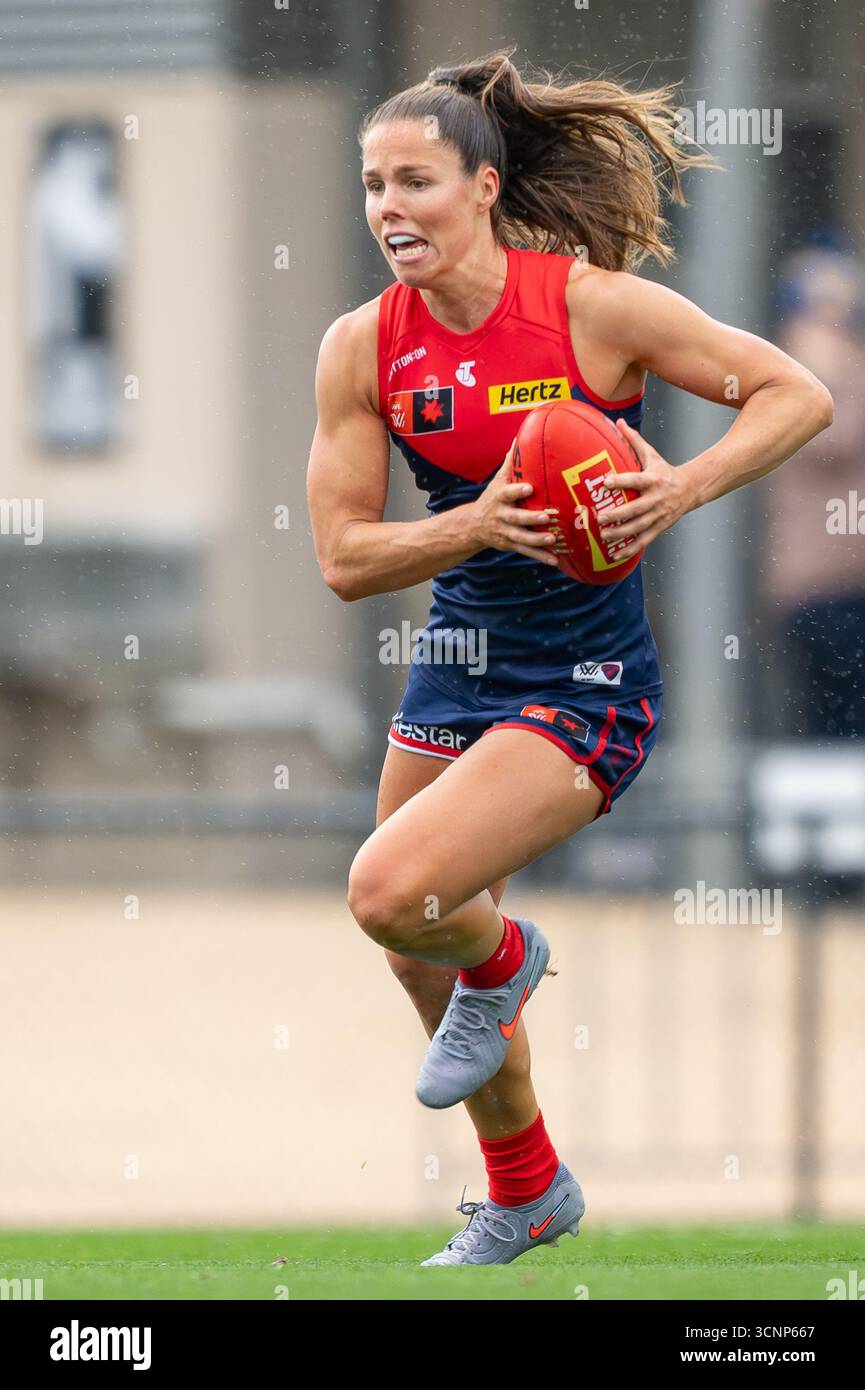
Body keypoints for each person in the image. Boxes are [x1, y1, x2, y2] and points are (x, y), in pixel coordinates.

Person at [306, 49, 833, 1266]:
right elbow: (342, 556)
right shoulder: (360, 347)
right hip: (455, 660)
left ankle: (507, 956)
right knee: (410, 933)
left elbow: (792, 394)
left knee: (394, 893)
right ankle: (527, 1187)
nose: (390, 209)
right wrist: (474, 524)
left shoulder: (591, 307)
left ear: (485, 187)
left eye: (416, 183)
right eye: (372, 186)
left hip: (585, 686)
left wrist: (682, 485)